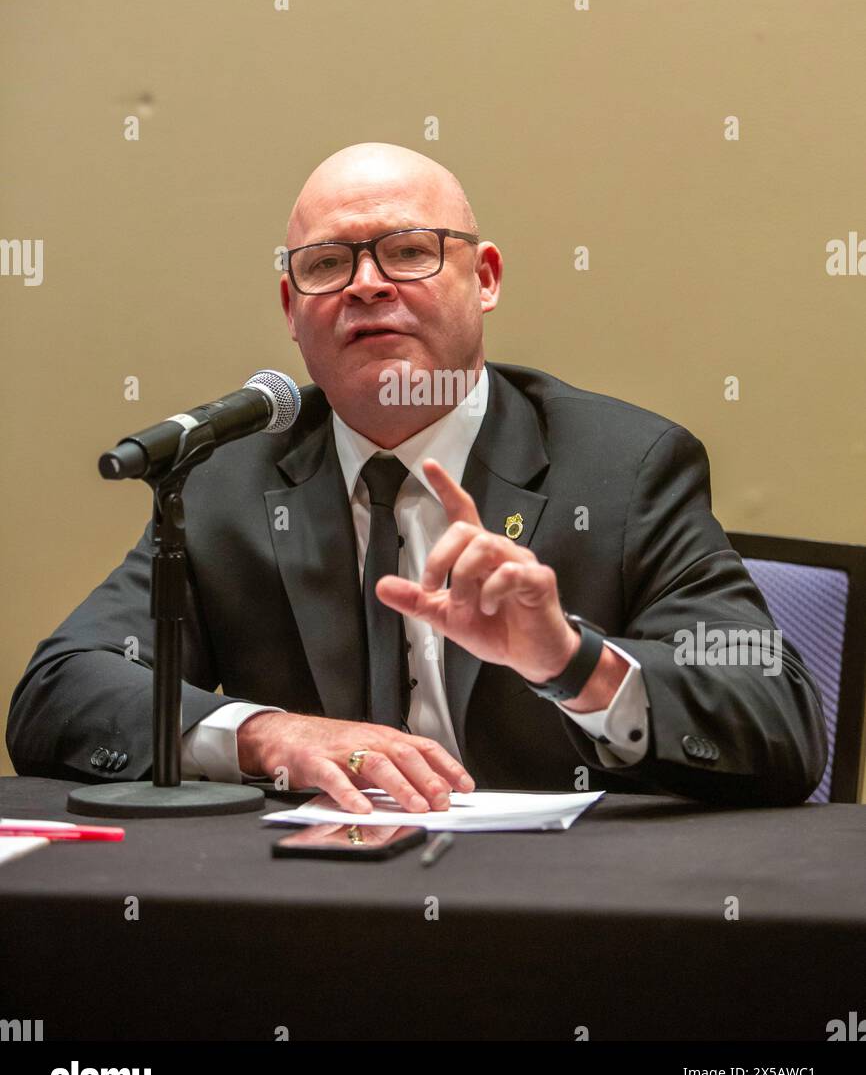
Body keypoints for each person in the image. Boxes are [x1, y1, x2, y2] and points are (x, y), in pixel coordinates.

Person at [7, 143, 828, 809]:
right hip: (295, 912)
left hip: (556, 918)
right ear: (292, 311)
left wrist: (571, 661)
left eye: (408, 251)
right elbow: (60, 688)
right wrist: (269, 735)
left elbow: (778, 718)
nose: (367, 284)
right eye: (327, 264)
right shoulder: (226, 477)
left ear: (487, 279)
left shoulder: (623, 468)